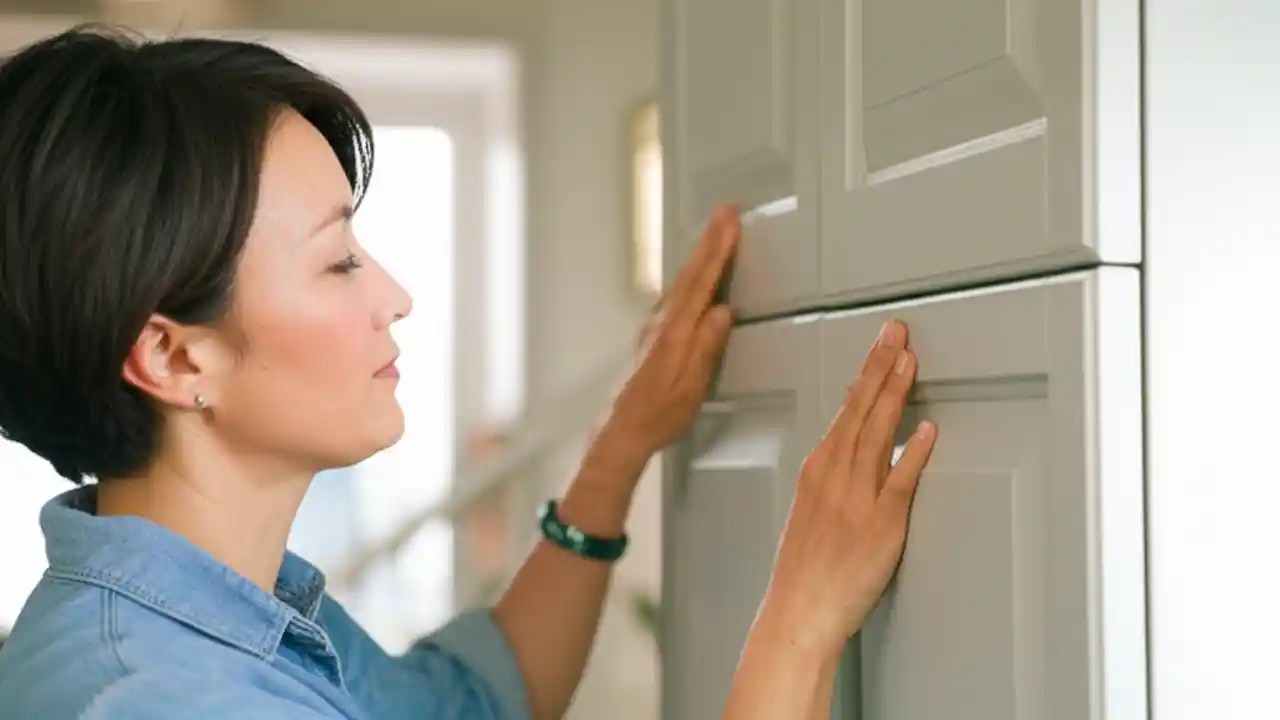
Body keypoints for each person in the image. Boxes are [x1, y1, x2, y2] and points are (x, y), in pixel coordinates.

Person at [0, 26, 937, 720]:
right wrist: (803, 627)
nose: (396, 294)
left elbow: (479, 698)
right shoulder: (168, 702)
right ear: (173, 355)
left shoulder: (206, 617)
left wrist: (620, 447)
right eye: (339, 261)